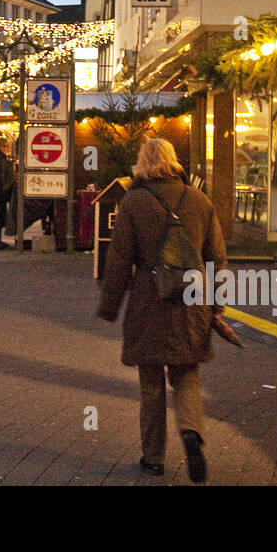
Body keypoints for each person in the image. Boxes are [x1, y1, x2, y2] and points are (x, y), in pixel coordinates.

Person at [96, 137, 226, 482]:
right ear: (173, 161)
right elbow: (216, 258)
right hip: (192, 303)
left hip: (148, 303)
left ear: (143, 163)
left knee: (151, 385)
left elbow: (119, 260)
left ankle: (153, 458)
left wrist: (109, 305)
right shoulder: (199, 200)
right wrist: (217, 305)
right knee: (187, 376)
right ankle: (191, 432)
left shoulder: (134, 202)